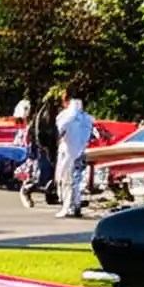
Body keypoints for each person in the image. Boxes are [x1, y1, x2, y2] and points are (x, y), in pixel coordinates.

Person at [54, 87, 95, 218]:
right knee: (76, 179)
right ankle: (76, 205)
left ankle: (69, 207)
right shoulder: (88, 118)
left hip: (68, 151)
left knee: (66, 179)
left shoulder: (65, 116)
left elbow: (59, 132)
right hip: (81, 151)